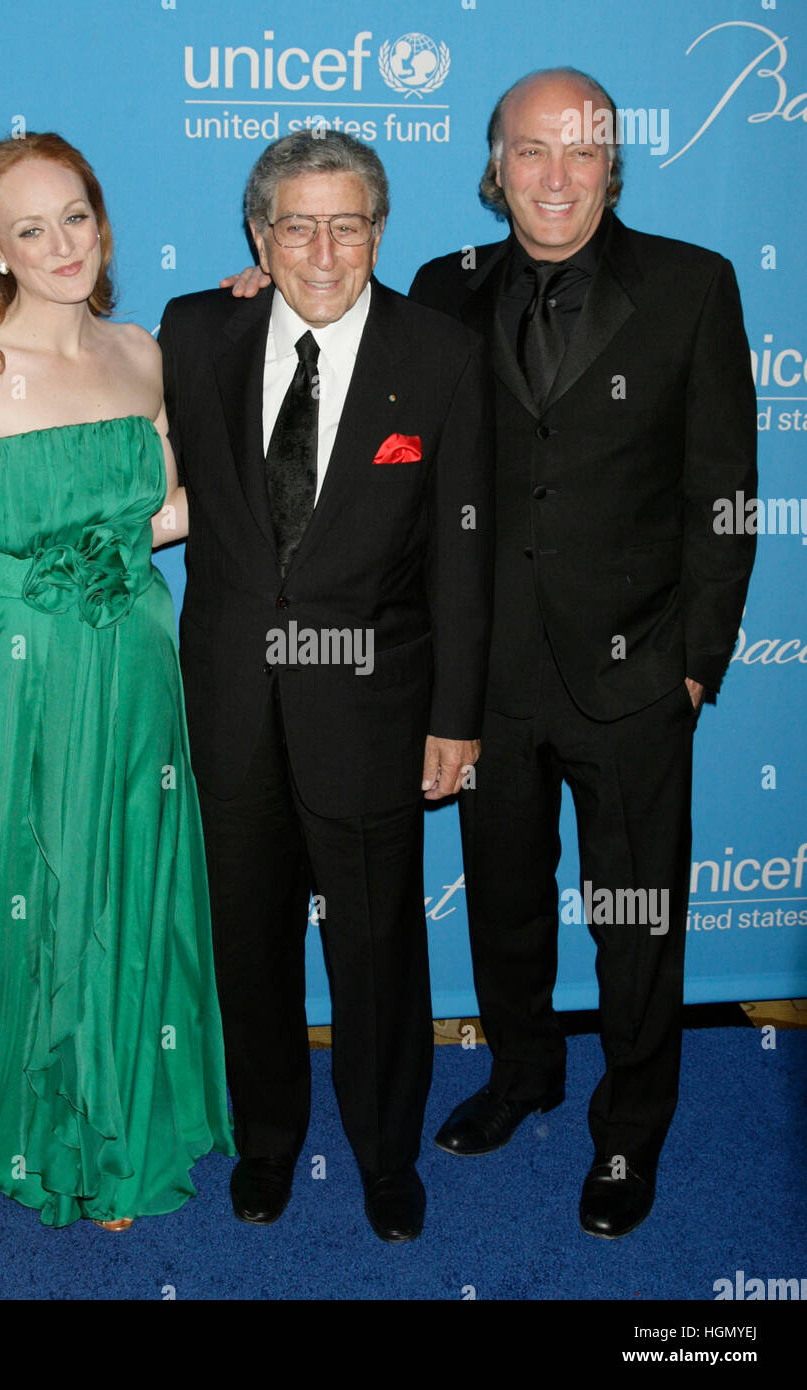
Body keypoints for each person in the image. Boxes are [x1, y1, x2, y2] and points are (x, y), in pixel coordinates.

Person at [408, 68, 757, 1237]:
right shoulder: (439, 290)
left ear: (614, 163)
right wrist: (250, 298)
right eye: (529, 152)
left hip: (637, 672)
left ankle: (630, 1127)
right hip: (488, 679)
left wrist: (696, 661)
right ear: (492, 165)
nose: (555, 177)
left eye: (582, 151)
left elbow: (724, 491)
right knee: (504, 903)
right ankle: (521, 1074)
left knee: (635, 916)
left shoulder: (692, 287)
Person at [0, 132, 233, 1230]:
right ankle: (17, 1129)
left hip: (129, 669)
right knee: (19, 893)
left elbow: (169, 509)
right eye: (31, 227)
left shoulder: (140, 352)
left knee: (116, 892)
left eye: (76, 215)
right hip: (11, 671)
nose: (62, 242)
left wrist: (242, 312)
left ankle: (108, 1131)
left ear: (103, 221)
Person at [159, 130, 490, 1242]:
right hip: (233, 703)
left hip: (372, 707)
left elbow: (461, 551)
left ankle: (388, 1156)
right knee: (248, 940)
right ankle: (265, 1141)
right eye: (295, 224)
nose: (321, 248)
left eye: (346, 223)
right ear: (259, 235)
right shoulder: (194, 328)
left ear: (378, 232)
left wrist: (455, 717)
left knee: (379, 948)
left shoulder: (440, 353)